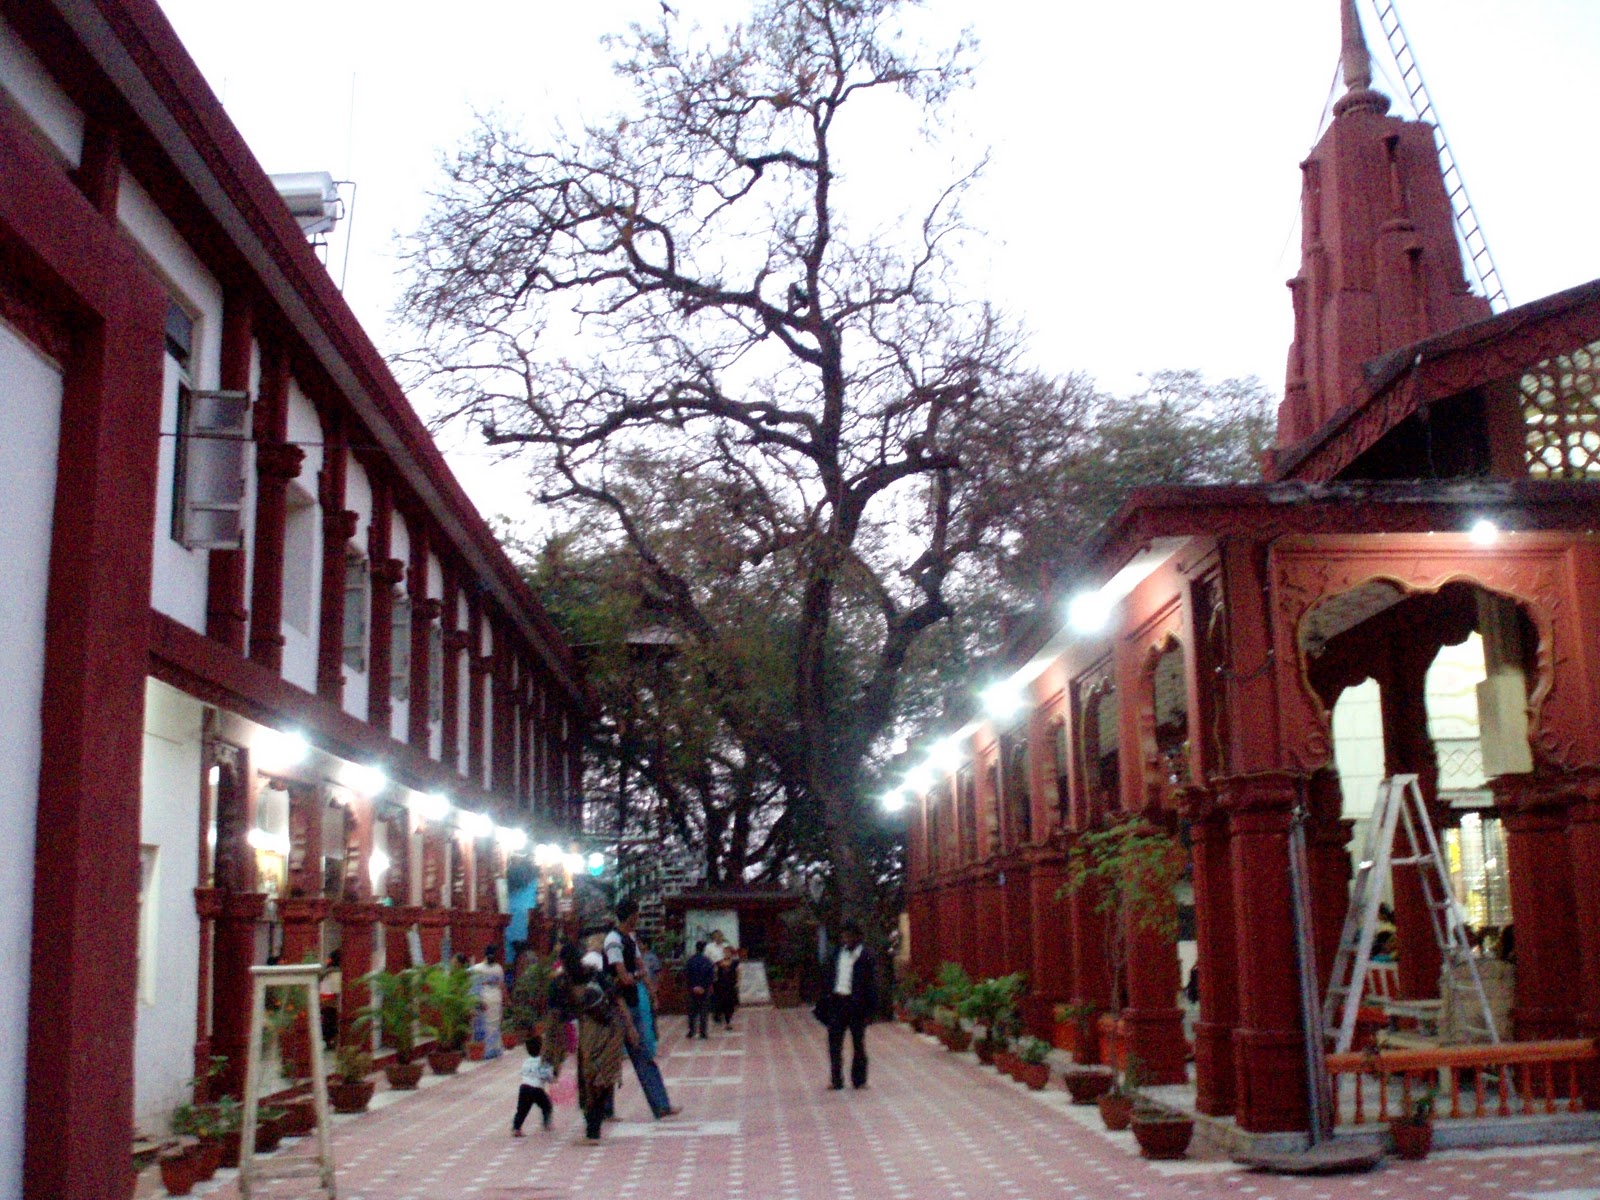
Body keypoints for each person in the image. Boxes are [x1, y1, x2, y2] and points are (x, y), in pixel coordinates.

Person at [604, 898, 680, 1119]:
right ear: (630, 915)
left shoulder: (630, 939)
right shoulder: (613, 940)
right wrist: (640, 978)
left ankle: (661, 1105)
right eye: (636, 914)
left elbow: (638, 969)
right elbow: (624, 977)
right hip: (617, 1006)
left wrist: (651, 992)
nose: (638, 918)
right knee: (611, 1058)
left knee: (643, 1055)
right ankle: (605, 1109)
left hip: (632, 1002)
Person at [556, 944, 627, 1143]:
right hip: (610, 1030)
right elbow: (617, 999)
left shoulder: (564, 982)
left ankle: (592, 1131)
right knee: (601, 1081)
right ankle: (593, 1129)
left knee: (590, 1082)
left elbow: (557, 1014)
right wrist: (630, 1028)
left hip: (593, 1034)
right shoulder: (595, 975)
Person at [822, 920, 877, 1091]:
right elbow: (829, 975)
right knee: (834, 1043)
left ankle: (859, 1080)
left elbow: (871, 984)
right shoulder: (837, 953)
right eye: (844, 936)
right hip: (838, 1001)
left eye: (849, 936)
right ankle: (836, 1080)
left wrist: (870, 1009)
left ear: (857, 937)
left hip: (857, 1004)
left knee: (858, 1043)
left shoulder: (866, 955)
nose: (846, 939)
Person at [511, 1031, 556, 1135]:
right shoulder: (543, 1062)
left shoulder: (526, 1062)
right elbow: (547, 1075)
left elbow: (523, 1072)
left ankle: (516, 1128)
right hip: (536, 1089)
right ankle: (546, 1123)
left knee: (522, 1110)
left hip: (524, 1087)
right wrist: (552, 1079)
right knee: (547, 1105)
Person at [472, 945, 506, 1059]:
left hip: (490, 999)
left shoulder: (494, 968)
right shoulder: (482, 968)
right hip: (489, 999)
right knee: (489, 1025)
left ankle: (490, 1050)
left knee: (490, 1025)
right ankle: (489, 1050)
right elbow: (501, 985)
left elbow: (500, 984)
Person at [684, 941, 714, 1039]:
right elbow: (711, 976)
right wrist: (704, 987)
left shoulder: (690, 961)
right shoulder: (708, 961)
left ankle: (691, 1031)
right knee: (703, 1012)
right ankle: (703, 1032)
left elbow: (687, 975)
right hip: (704, 990)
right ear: (704, 949)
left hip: (692, 990)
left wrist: (693, 987)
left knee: (692, 1011)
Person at [319, 949, 342, 1051]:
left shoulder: (326, 971)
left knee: (327, 1022)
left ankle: (328, 1041)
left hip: (325, 1001)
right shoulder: (336, 971)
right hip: (331, 1002)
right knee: (331, 1023)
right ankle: (330, 1041)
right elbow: (337, 990)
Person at [712, 946, 740, 1029]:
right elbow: (715, 974)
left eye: (728, 952)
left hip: (730, 986)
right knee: (721, 1003)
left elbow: (738, 972)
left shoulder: (735, 963)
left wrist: (738, 982)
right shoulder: (719, 963)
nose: (726, 954)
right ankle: (722, 1018)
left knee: (730, 1004)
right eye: (725, 952)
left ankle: (728, 1021)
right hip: (721, 986)